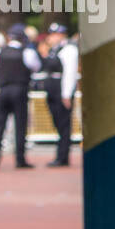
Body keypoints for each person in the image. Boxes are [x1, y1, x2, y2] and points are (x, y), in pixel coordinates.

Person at [0, 23, 40, 169]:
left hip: (2, 90)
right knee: (20, 126)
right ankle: (20, 159)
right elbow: (35, 66)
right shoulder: (27, 52)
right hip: (20, 90)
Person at [38, 24, 79, 167]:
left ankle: (63, 156)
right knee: (57, 122)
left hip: (61, 90)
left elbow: (70, 73)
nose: (51, 37)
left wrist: (66, 94)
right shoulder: (53, 50)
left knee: (64, 124)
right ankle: (61, 154)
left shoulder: (69, 50)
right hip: (52, 89)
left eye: (55, 34)